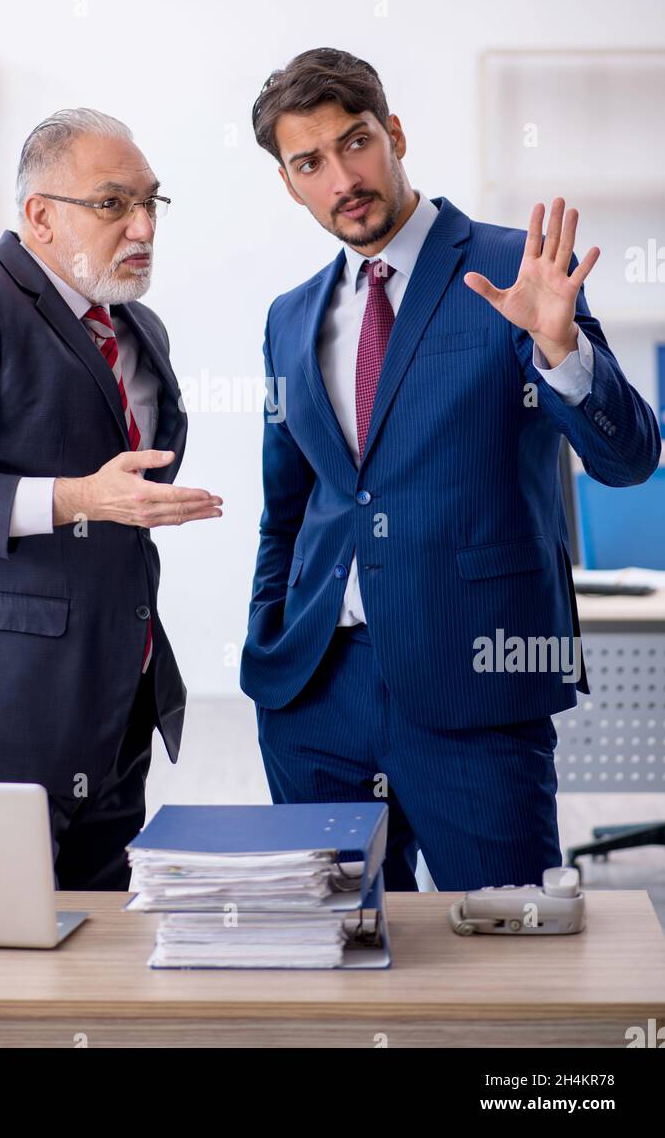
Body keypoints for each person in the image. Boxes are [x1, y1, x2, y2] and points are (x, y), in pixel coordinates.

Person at [241, 48, 660, 891]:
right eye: (309, 163)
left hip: (478, 675)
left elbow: (627, 458)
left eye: (354, 142)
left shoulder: (514, 270)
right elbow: (288, 507)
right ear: (289, 183)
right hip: (315, 692)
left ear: (393, 134)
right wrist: (268, 640)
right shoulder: (291, 318)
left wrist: (559, 347)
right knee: (333, 959)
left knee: (511, 961)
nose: (341, 178)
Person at [0, 107, 222, 889]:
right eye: (111, 203)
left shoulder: (139, 328)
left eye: (149, 203)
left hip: (116, 711)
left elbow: (124, 492)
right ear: (39, 215)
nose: (141, 227)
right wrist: (75, 499)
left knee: (98, 971)